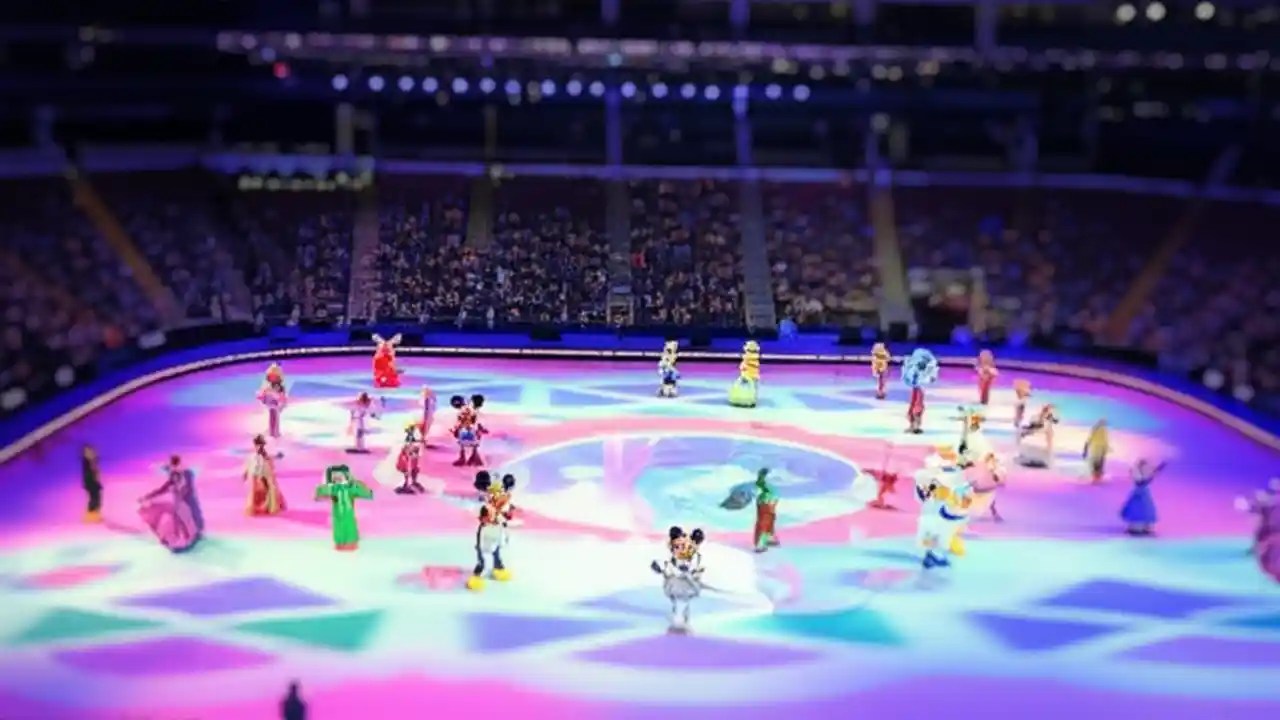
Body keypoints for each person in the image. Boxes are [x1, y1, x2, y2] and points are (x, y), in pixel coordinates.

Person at [138, 456, 204, 553]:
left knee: (189, 519)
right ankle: (179, 541)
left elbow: (188, 489)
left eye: (174, 467)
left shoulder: (187, 474)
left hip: (187, 502)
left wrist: (181, 494)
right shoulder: (174, 476)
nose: (173, 470)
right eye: (172, 468)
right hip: (179, 503)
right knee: (177, 520)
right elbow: (163, 489)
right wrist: (148, 497)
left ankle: (191, 539)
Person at [315, 464, 373, 551]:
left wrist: (362, 487)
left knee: (349, 526)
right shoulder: (333, 488)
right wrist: (321, 491)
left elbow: (364, 492)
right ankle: (340, 542)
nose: (337, 478)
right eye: (334, 476)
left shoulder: (350, 488)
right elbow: (322, 493)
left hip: (348, 513)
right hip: (337, 514)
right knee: (338, 527)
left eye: (340, 476)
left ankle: (351, 543)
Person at [1121, 459, 1167, 536]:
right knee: (1138, 508)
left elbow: (1149, 476)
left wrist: (1156, 471)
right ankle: (1136, 526)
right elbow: (1140, 479)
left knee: (1145, 508)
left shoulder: (1144, 474)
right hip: (1140, 493)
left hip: (1143, 493)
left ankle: (1144, 526)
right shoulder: (1137, 473)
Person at [244, 434, 287, 516]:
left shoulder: (264, 456)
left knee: (269, 488)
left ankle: (271, 506)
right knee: (263, 488)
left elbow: (271, 462)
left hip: (264, 473)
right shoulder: (254, 456)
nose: (258, 447)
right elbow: (250, 465)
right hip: (258, 474)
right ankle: (260, 506)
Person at [82, 445, 103, 523]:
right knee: (94, 499)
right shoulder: (88, 462)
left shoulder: (91, 461)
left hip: (93, 482)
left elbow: (96, 472)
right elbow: (92, 472)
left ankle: (95, 516)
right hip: (91, 482)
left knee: (97, 498)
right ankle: (91, 517)